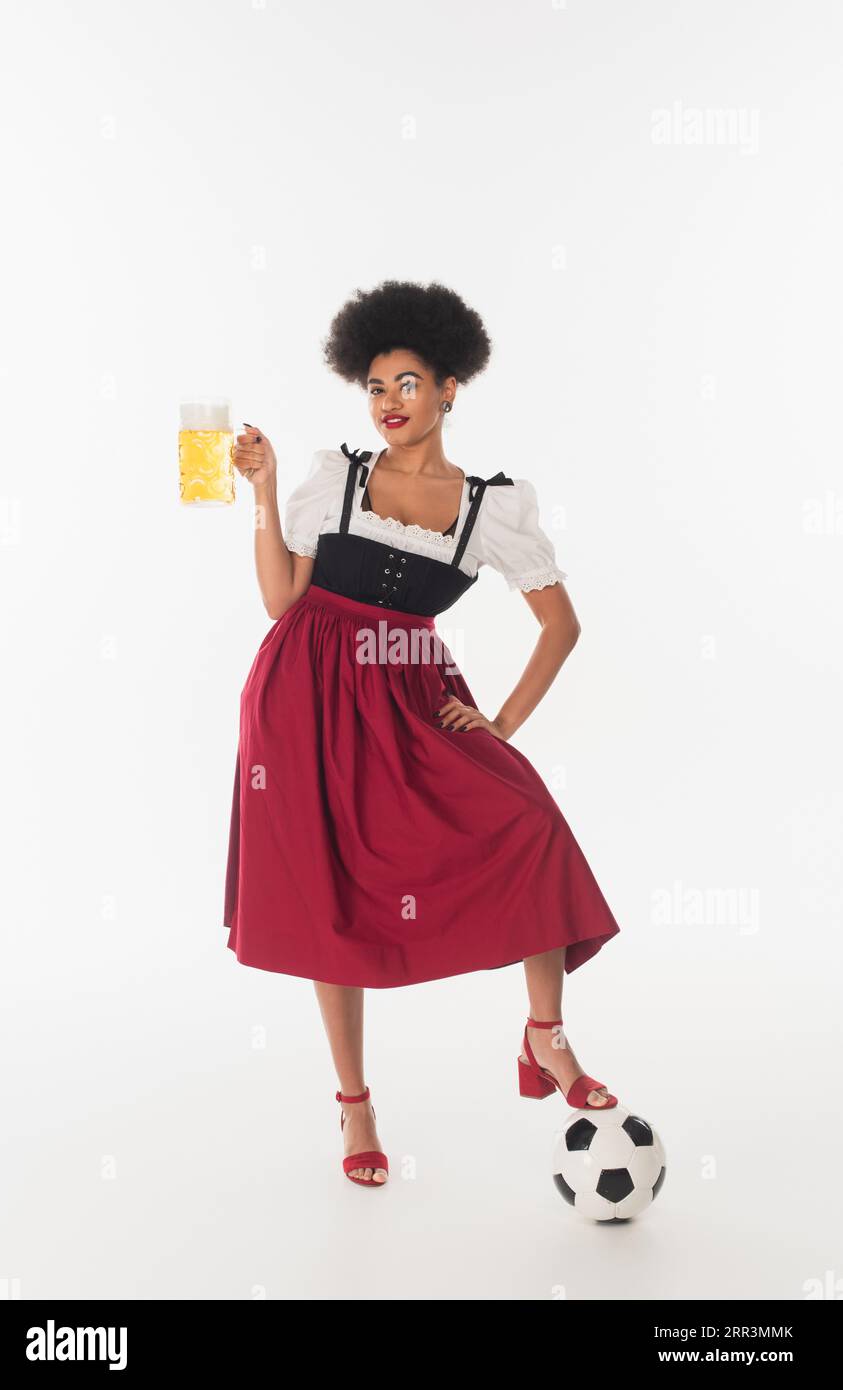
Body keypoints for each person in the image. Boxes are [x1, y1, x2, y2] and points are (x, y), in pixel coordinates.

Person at [223, 279, 621, 1189]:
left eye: (407, 384)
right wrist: (266, 486)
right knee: (329, 899)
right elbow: (282, 600)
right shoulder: (340, 476)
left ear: (449, 389)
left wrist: (502, 723)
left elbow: (560, 625)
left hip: (409, 697)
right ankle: (355, 1107)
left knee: (525, 824)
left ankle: (542, 1034)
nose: (388, 404)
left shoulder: (491, 508)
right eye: (374, 387)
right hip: (301, 693)